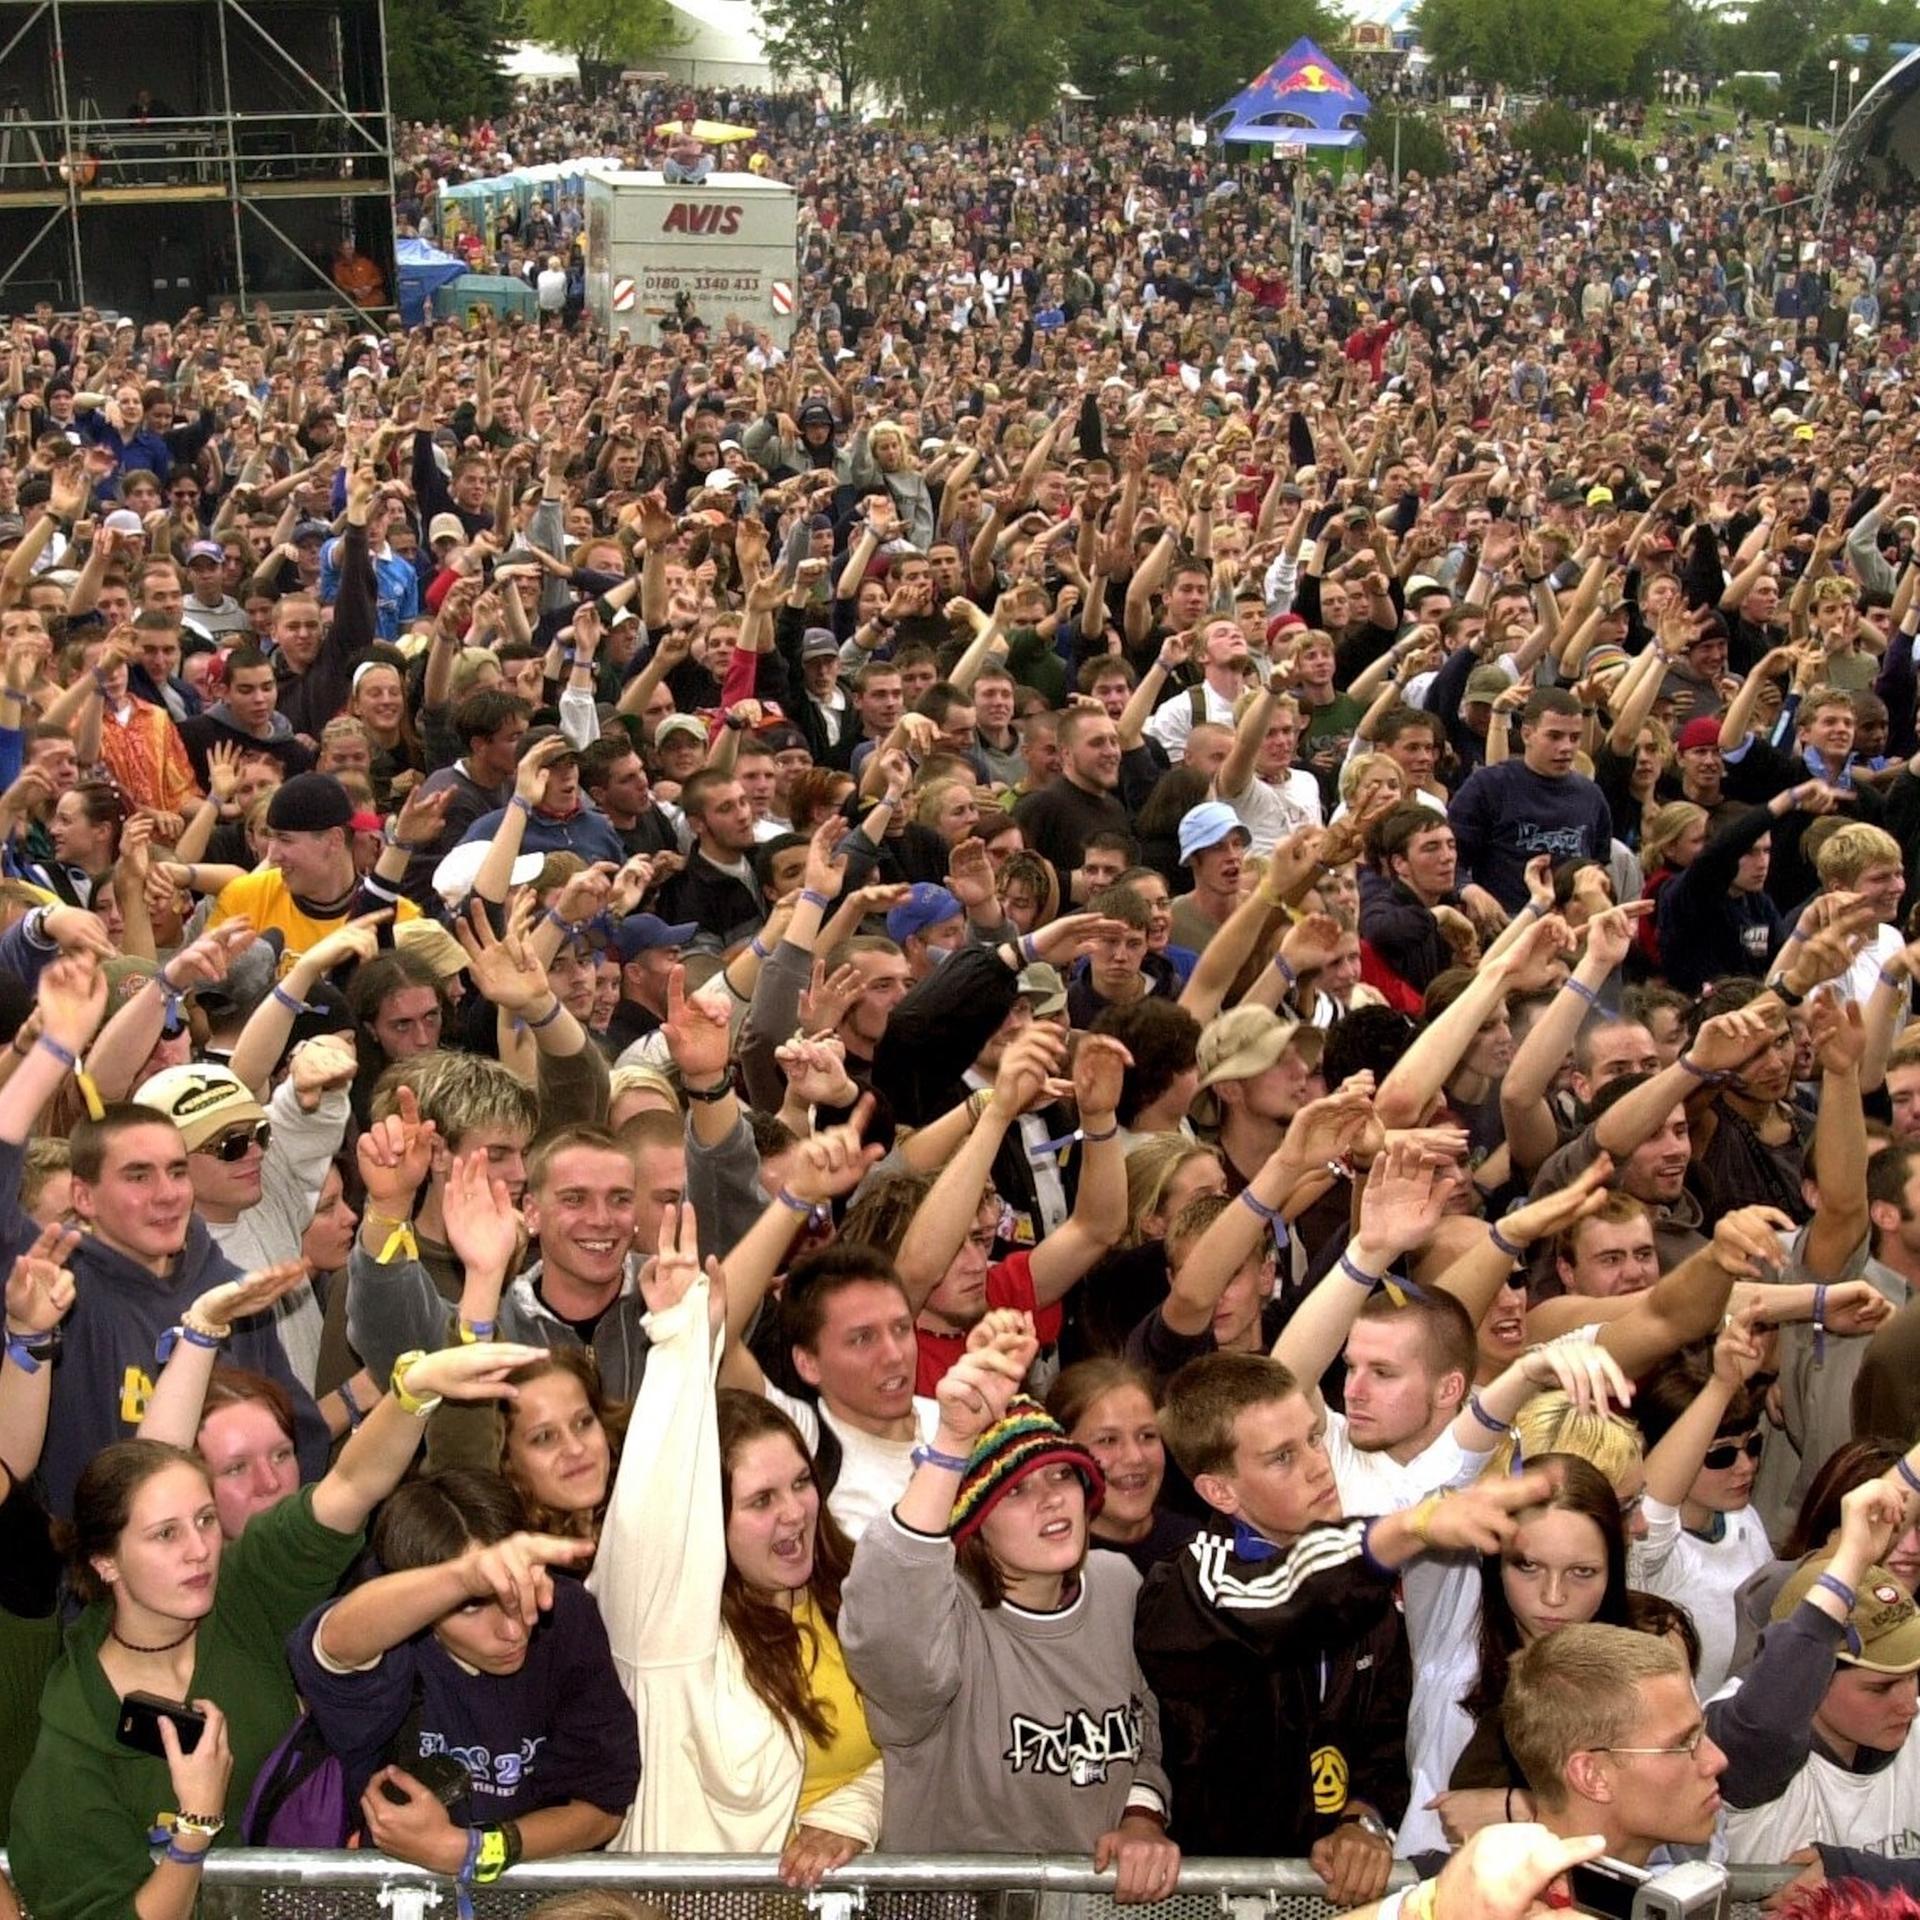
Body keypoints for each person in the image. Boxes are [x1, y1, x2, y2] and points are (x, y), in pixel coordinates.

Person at [8, 1339, 542, 1920]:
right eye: (165, 1534)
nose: (199, 1550)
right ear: (105, 1562)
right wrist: (195, 1826)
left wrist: (413, 1391)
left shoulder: (241, 1592)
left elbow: (349, 1489)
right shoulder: (74, 1732)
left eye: (205, 1520)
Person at [840, 1311, 1184, 1900]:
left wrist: (1141, 1818)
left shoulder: (1117, 1584)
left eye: (1062, 1476)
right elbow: (884, 1621)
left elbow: (1145, 1730)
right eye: (1016, 1490)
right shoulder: (945, 1618)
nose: (1051, 1500)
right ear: (975, 1528)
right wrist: (952, 1443)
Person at [590, 1202, 884, 1876]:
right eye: (759, 1500)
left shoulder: (853, 1592)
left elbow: (928, 1738)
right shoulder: (668, 1632)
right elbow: (650, 1511)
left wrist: (853, 1813)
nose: (794, 1513)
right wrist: (681, 1344)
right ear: (706, 1520)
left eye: (800, 1484)